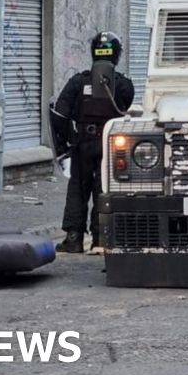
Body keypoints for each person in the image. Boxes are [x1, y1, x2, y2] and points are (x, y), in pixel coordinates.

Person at [51, 31, 134, 253]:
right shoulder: (124, 85)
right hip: (111, 145)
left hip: (83, 143)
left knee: (78, 189)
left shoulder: (77, 82)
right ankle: (101, 239)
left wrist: (68, 142)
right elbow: (127, 108)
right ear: (117, 54)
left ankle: (73, 238)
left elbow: (59, 115)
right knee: (104, 189)